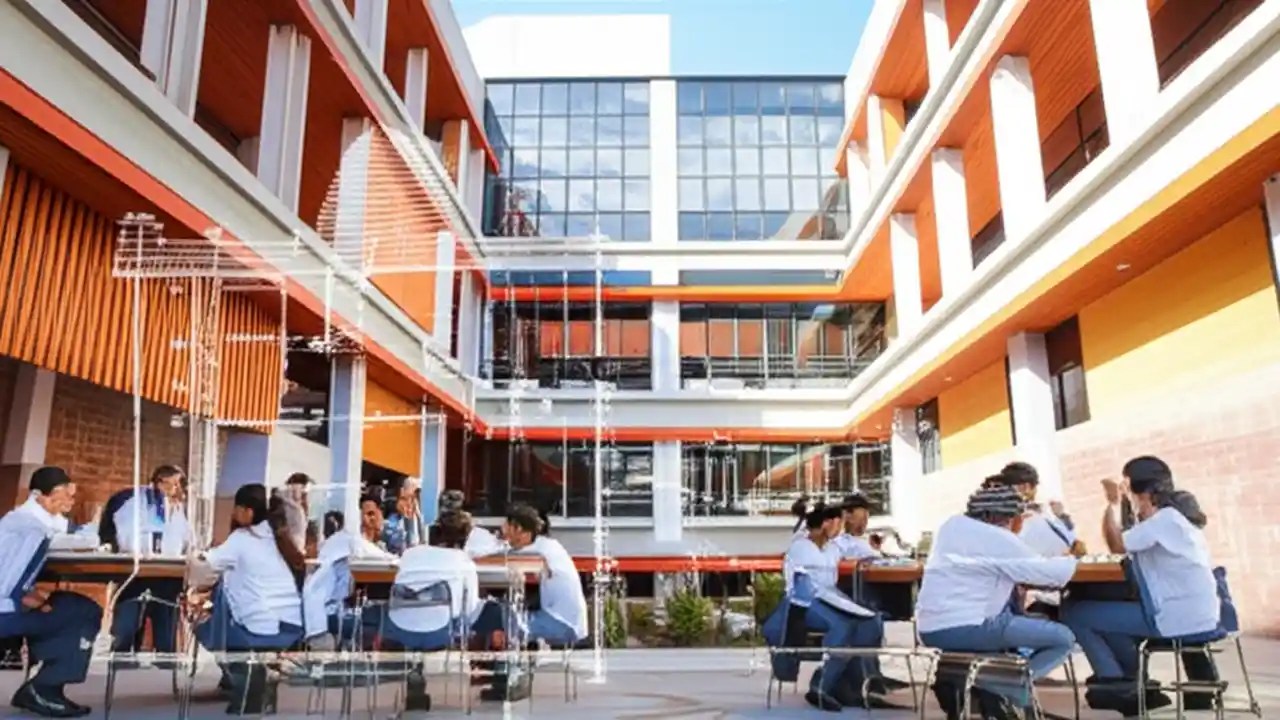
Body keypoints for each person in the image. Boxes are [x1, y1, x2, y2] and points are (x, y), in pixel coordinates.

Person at [1062, 456, 1220, 715]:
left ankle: (1117, 687)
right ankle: (1138, 689)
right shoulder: (1174, 519)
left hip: (1177, 618)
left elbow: (1117, 545)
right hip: (1195, 614)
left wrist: (1113, 504)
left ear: (1133, 487)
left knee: (1075, 613)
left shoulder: (1165, 520)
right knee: (1110, 626)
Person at [916, 485, 1078, 720]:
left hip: (930, 629)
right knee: (1062, 638)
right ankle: (1006, 687)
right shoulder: (995, 536)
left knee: (1008, 641)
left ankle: (998, 695)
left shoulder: (950, 526)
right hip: (971, 625)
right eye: (1017, 518)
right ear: (1004, 517)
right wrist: (1075, 561)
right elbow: (1048, 573)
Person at [191, 484, 305, 715]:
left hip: (260, 626)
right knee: (227, 600)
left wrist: (196, 555)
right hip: (291, 625)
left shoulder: (242, 538)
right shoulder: (280, 537)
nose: (233, 514)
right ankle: (261, 681)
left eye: (237, 508)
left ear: (249, 511)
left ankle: (249, 688)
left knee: (207, 624)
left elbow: (206, 565)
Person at [377, 510, 509, 709]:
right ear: (466, 537)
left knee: (418, 613)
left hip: (401, 627)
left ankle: (416, 681)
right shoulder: (464, 562)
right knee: (495, 611)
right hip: (442, 629)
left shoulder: (410, 554)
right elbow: (470, 608)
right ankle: (497, 679)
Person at [774, 503, 898, 711]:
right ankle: (822, 684)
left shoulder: (832, 546)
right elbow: (805, 587)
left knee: (870, 621)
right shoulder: (801, 546)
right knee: (843, 626)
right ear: (827, 523)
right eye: (838, 523)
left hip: (829, 597)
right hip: (804, 601)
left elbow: (853, 547)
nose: (840, 529)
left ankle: (860, 684)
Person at [0, 467, 101, 718]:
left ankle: (46, 683)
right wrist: (30, 599)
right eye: (65, 494)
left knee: (70, 606)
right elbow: (10, 582)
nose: (71, 499)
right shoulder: (31, 528)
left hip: (7, 605)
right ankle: (44, 687)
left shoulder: (27, 520)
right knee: (83, 611)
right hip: (4, 611)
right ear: (42, 496)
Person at [101, 464, 190, 658]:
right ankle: (120, 660)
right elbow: (126, 535)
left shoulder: (177, 507)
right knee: (126, 626)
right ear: (158, 482)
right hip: (136, 571)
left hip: (167, 572)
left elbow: (184, 537)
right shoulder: (134, 502)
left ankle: (166, 663)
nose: (176, 490)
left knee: (166, 627)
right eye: (172, 484)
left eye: (178, 485)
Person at [438, 490, 505, 557]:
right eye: (447, 516)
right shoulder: (435, 537)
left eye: (455, 514)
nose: (451, 520)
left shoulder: (482, 538)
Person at [831, 492, 881, 559]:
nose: (866, 517)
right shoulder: (838, 544)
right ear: (847, 515)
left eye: (867, 514)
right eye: (864, 514)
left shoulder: (867, 542)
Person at [382, 482, 425, 555]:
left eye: (412, 499)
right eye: (404, 499)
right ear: (397, 502)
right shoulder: (391, 522)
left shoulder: (419, 519)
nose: (408, 503)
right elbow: (396, 543)